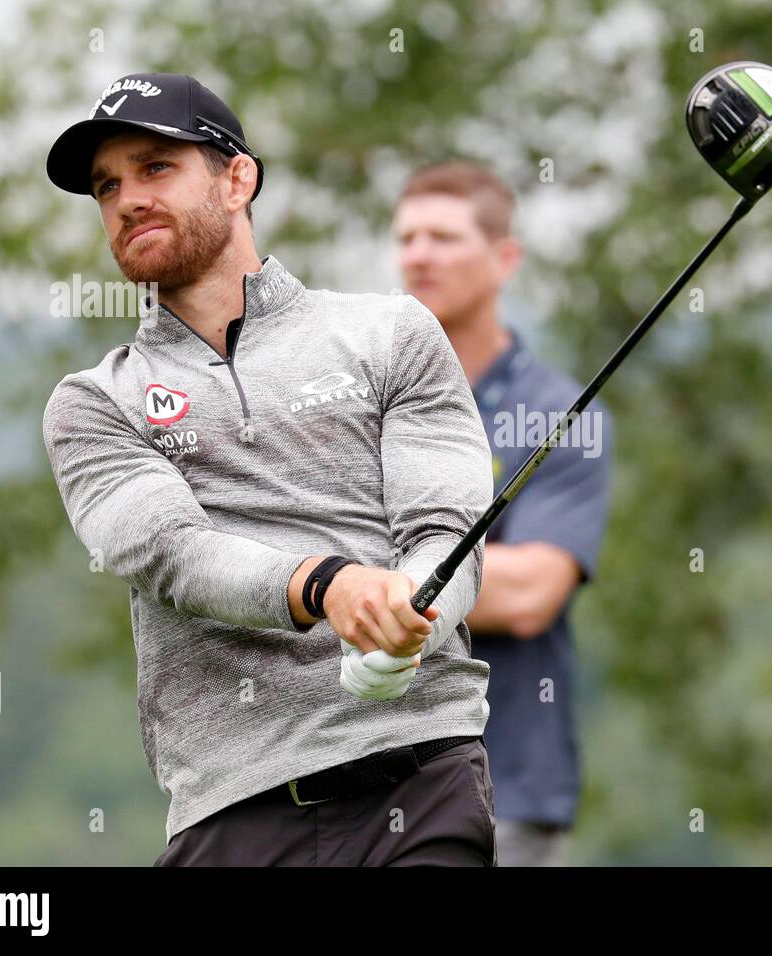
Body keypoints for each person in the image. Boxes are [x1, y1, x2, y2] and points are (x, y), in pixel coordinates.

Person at [41, 72, 496, 866]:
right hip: (235, 812)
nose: (126, 200)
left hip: (420, 777)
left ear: (237, 177)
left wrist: (415, 606)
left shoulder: (390, 332)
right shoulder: (92, 404)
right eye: (106, 186)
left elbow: (447, 530)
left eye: (156, 168)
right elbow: (177, 555)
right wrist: (334, 587)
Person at [393, 162, 613, 866]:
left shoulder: (560, 413)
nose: (420, 254)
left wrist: (358, 583)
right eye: (408, 238)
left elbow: (529, 594)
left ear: (504, 258)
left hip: (506, 787)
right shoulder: (370, 403)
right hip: (370, 778)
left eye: (444, 237)